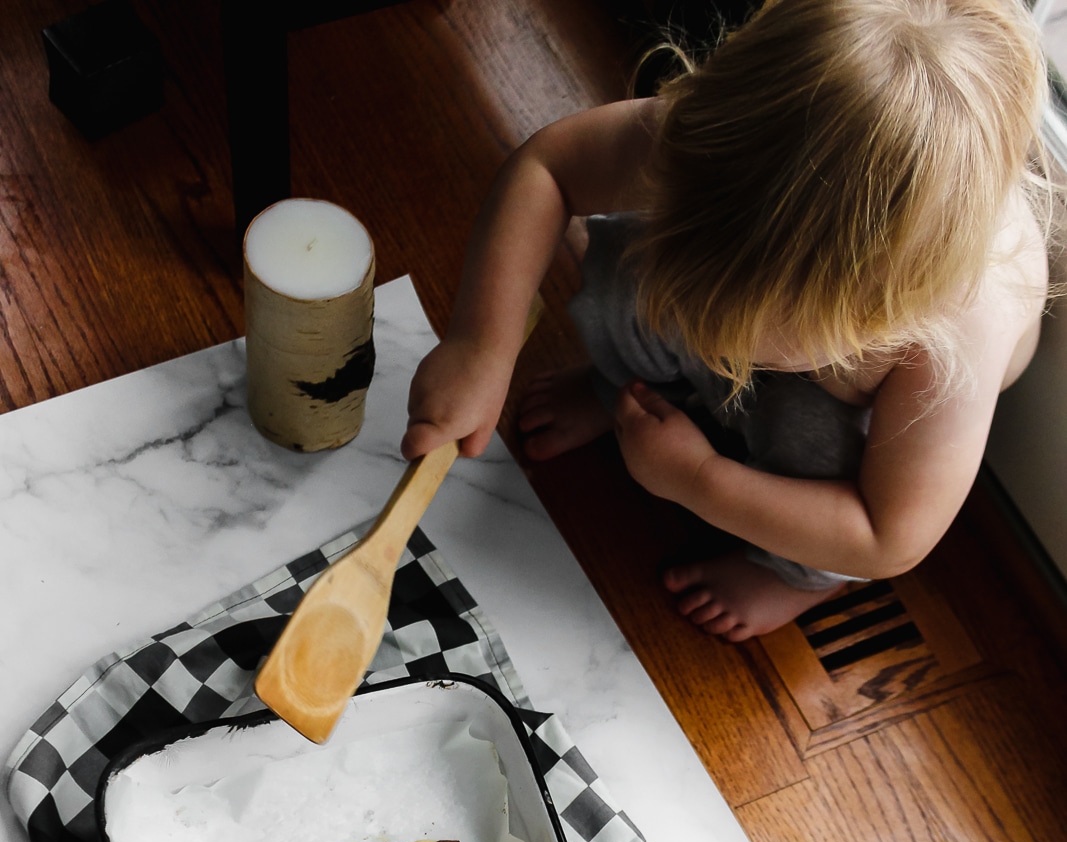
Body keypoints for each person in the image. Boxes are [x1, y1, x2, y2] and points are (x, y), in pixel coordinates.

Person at [401, 0, 1052, 641]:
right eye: (697, 300)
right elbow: (548, 167)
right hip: (787, 313)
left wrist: (698, 481)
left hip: (836, 418)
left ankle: (797, 577)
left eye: (746, 335)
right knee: (631, 271)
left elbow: (888, 536)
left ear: (878, 318)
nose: (713, 341)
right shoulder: (725, 142)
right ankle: (626, 390)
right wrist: (482, 344)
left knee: (818, 452)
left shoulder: (948, 342)